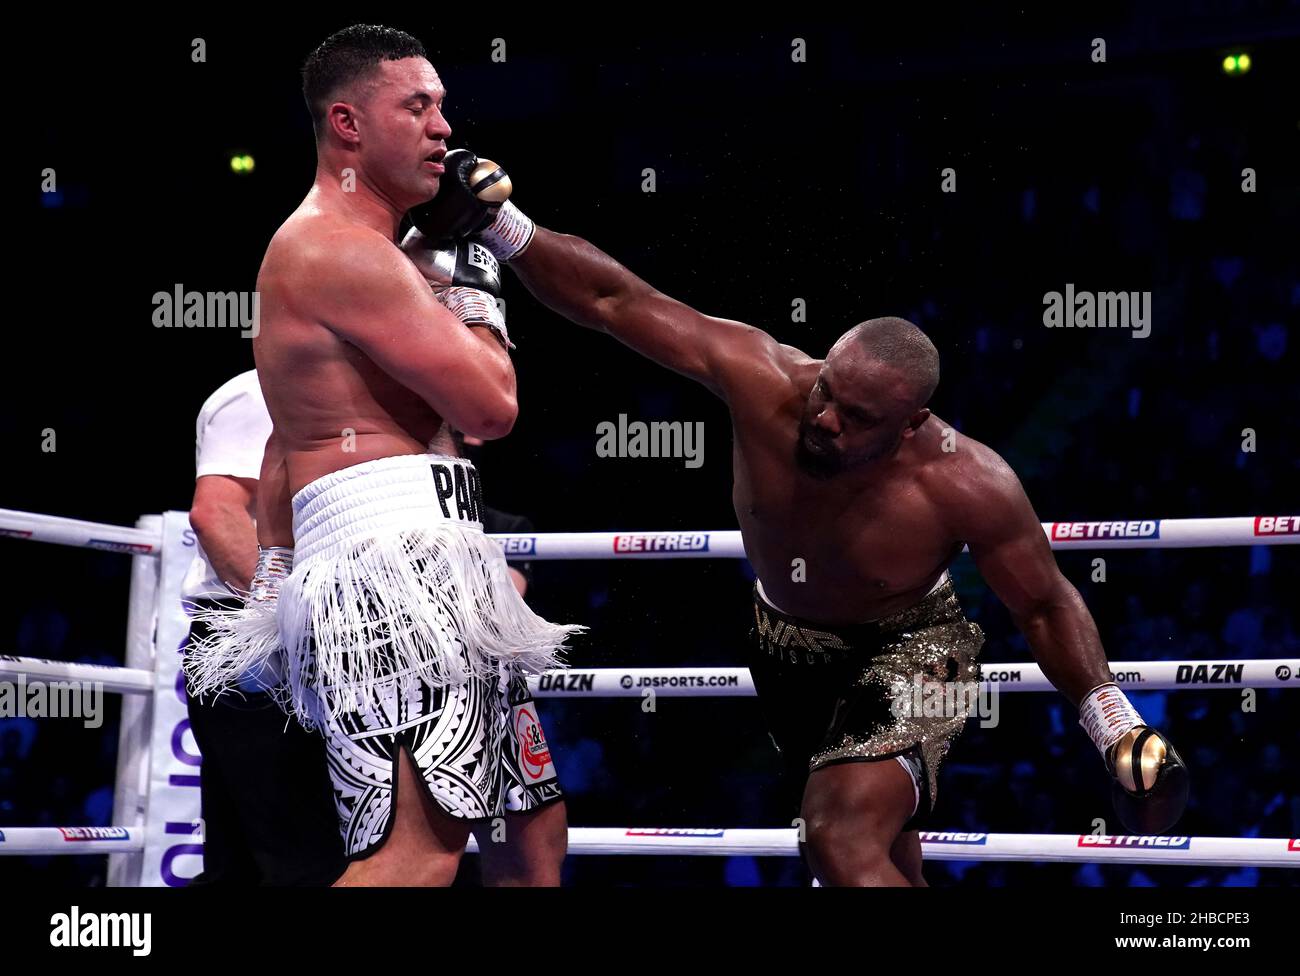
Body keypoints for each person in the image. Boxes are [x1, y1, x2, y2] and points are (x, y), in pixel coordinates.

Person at [401, 151, 1189, 887]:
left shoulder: (968, 481)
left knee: (839, 836)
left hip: (922, 653)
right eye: (826, 392)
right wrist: (503, 228)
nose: (824, 419)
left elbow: (1044, 602)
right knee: (870, 852)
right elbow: (618, 301)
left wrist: (1113, 725)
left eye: (855, 416)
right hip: (785, 647)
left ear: (909, 424)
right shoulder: (764, 378)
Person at [185, 25, 582, 887]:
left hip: (422, 557)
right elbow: (493, 405)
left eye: (442, 104)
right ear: (348, 125)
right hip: (393, 570)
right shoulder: (339, 250)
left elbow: (288, 445)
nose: (445, 126)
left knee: (530, 826)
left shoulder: (372, 251)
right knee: (416, 855)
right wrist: (471, 270)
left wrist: (279, 579)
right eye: (417, 106)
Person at [181, 370, 343, 886]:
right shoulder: (259, 391)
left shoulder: (345, 393)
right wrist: (279, 624)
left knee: (250, 859)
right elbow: (215, 512)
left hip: (306, 635)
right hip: (256, 638)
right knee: (296, 855)